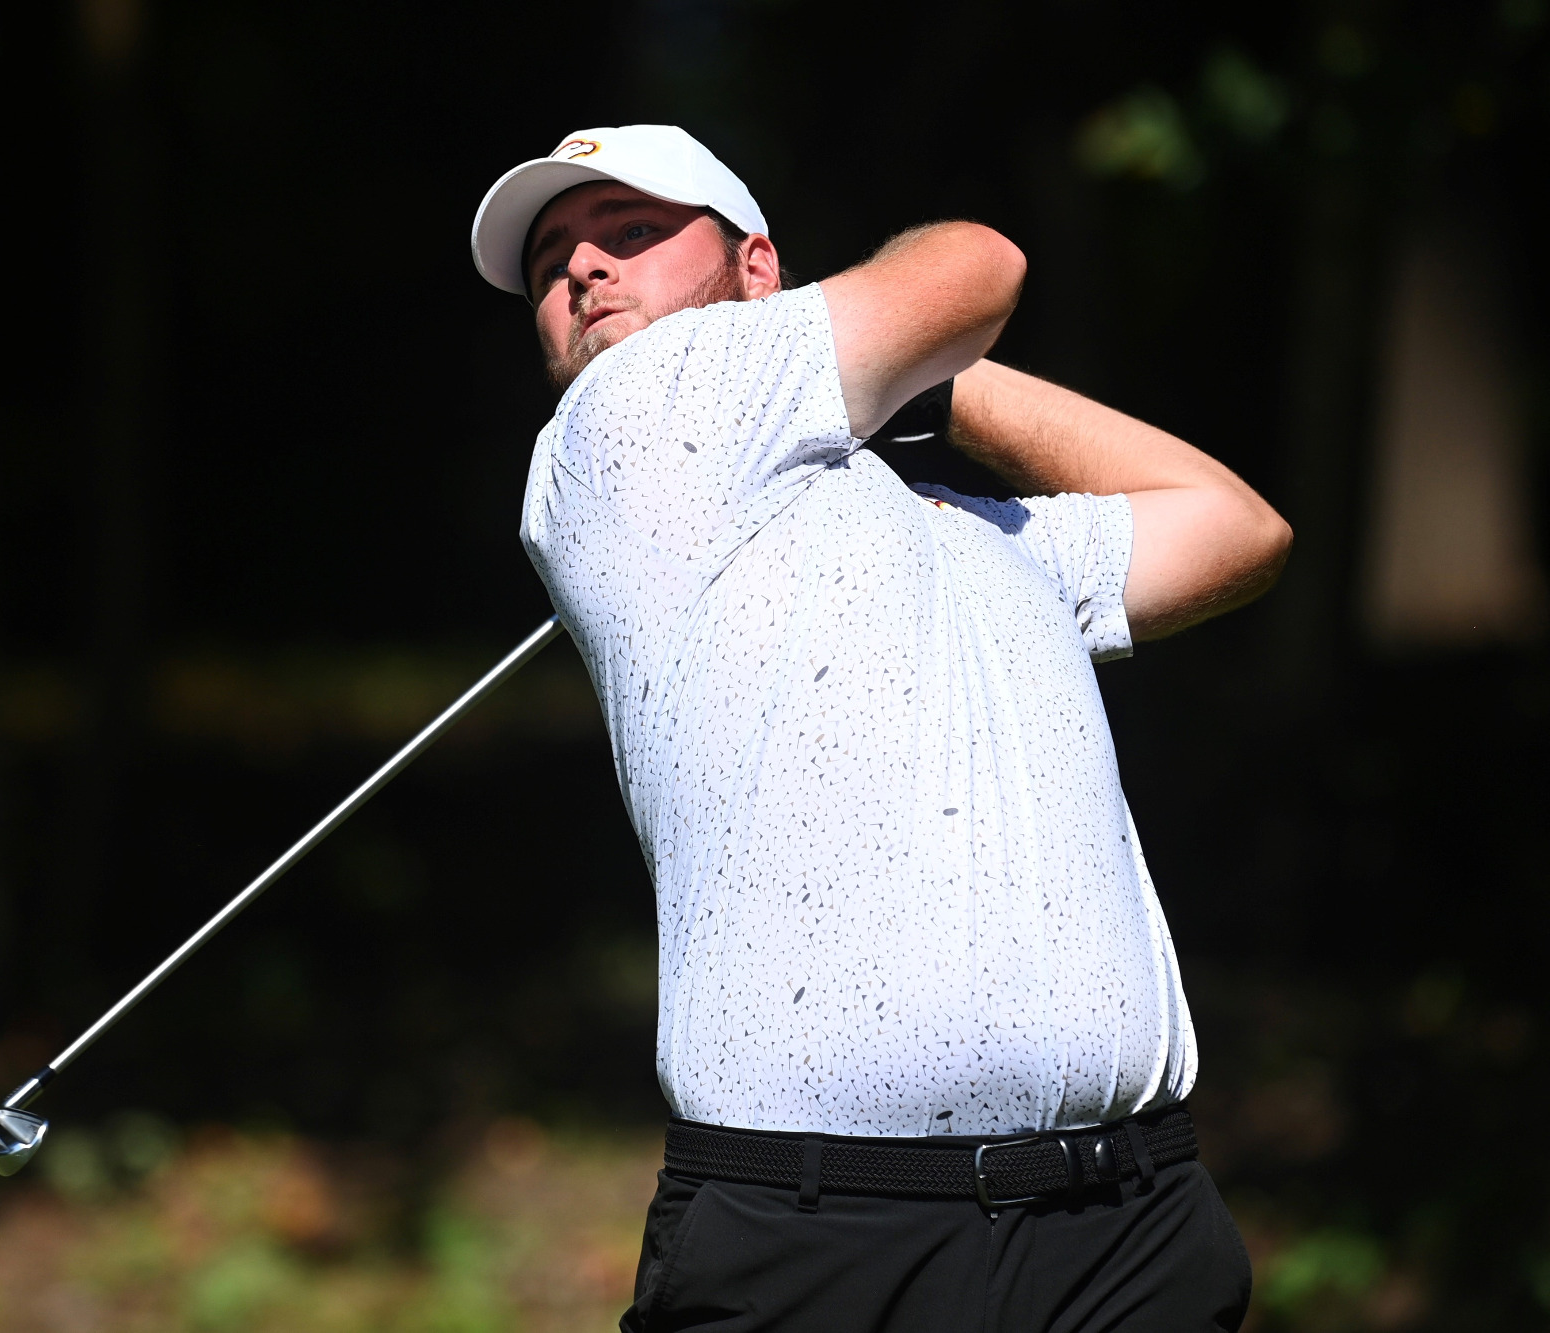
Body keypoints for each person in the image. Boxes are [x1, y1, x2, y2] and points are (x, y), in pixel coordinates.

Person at [470, 125, 1291, 1331]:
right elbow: (977, 266)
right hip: (825, 1237)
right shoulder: (630, 419)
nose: (583, 270)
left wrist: (933, 390)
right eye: (551, 262)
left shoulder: (975, 531)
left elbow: (1234, 529)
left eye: (632, 232)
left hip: (1129, 1224)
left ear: (757, 268)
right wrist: (901, 359)